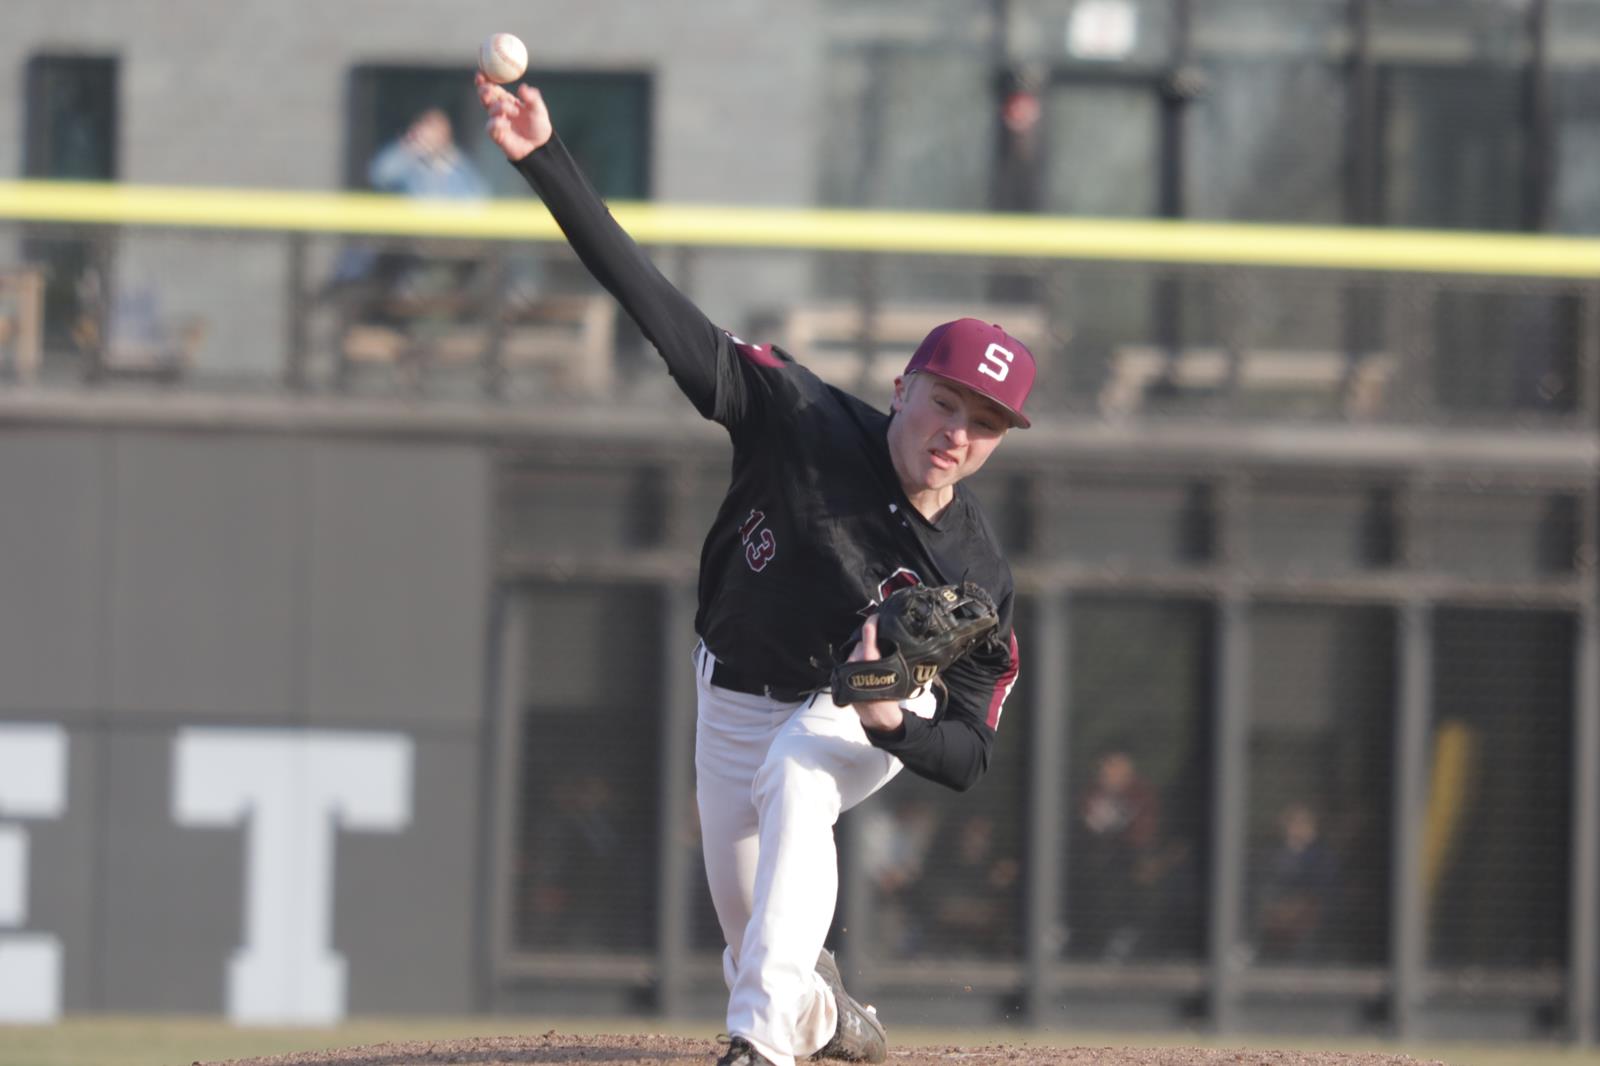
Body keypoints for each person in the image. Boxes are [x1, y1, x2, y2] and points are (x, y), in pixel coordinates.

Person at [476, 72, 1031, 1066]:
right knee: (757, 944)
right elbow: (655, 305)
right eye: (946, 402)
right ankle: (821, 1016)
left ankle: (757, 1050)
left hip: (846, 711)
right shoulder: (800, 418)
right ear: (902, 385)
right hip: (730, 693)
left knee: (801, 772)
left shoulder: (979, 568)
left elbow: (970, 753)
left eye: (984, 425)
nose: (958, 433)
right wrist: (543, 161)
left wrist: (889, 717)